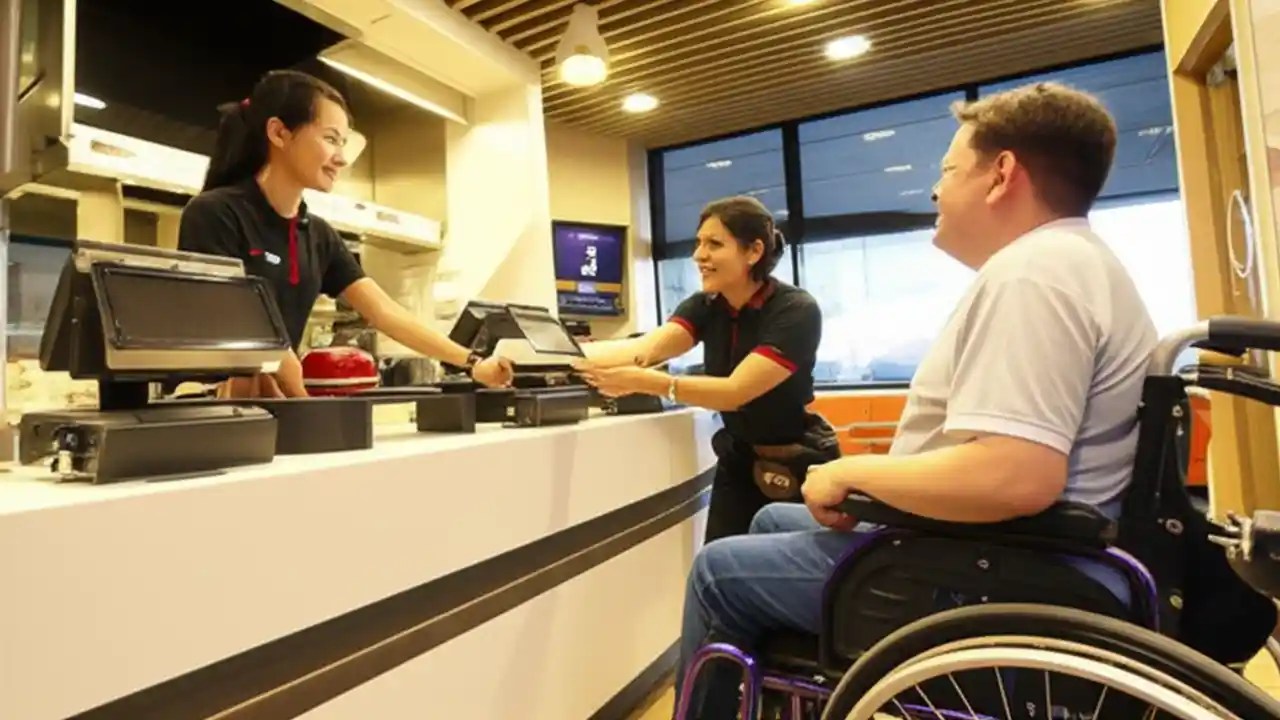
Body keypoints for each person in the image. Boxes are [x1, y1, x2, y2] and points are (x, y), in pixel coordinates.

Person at [674, 82, 1159, 718]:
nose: (935, 192)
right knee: (768, 522)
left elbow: (1015, 475)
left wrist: (852, 471)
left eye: (948, 171)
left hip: (1002, 569)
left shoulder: (1032, 276)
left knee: (716, 570)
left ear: (1001, 175)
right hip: (1013, 547)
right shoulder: (1073, 261)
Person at [178, 70, 513, 397]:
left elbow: (385, 313)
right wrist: (287, 374)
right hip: (213, 404)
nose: (340, 159)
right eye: (330, 139)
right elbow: (227, 318)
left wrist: (472, 363)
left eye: (342, 143)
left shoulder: (318, 235)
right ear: (279, 133)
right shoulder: (214, 213)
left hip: (275, 405)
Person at [576, 196, 839, 543]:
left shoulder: (795, 310)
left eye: (714, 244)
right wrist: (548, 356)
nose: (699, 255)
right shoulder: (707, 306)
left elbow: (735, 392)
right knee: (717, 562)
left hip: (796, 462)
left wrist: (650, 382)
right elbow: (643, 350)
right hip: (739, 460)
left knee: (788, 569)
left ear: (754, 251)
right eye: (699, 243)